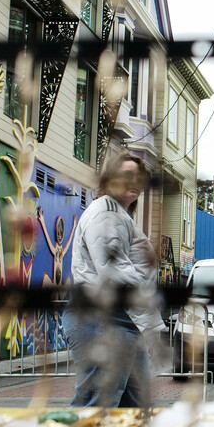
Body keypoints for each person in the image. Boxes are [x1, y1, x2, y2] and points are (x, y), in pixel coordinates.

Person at [67, 150, 161, 408]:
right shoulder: (106, 214)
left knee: (134, 408)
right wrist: (153, 323)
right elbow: (117, 272)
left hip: (120, 319)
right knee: (97, 406)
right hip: (101, 319)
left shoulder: (120, 217)